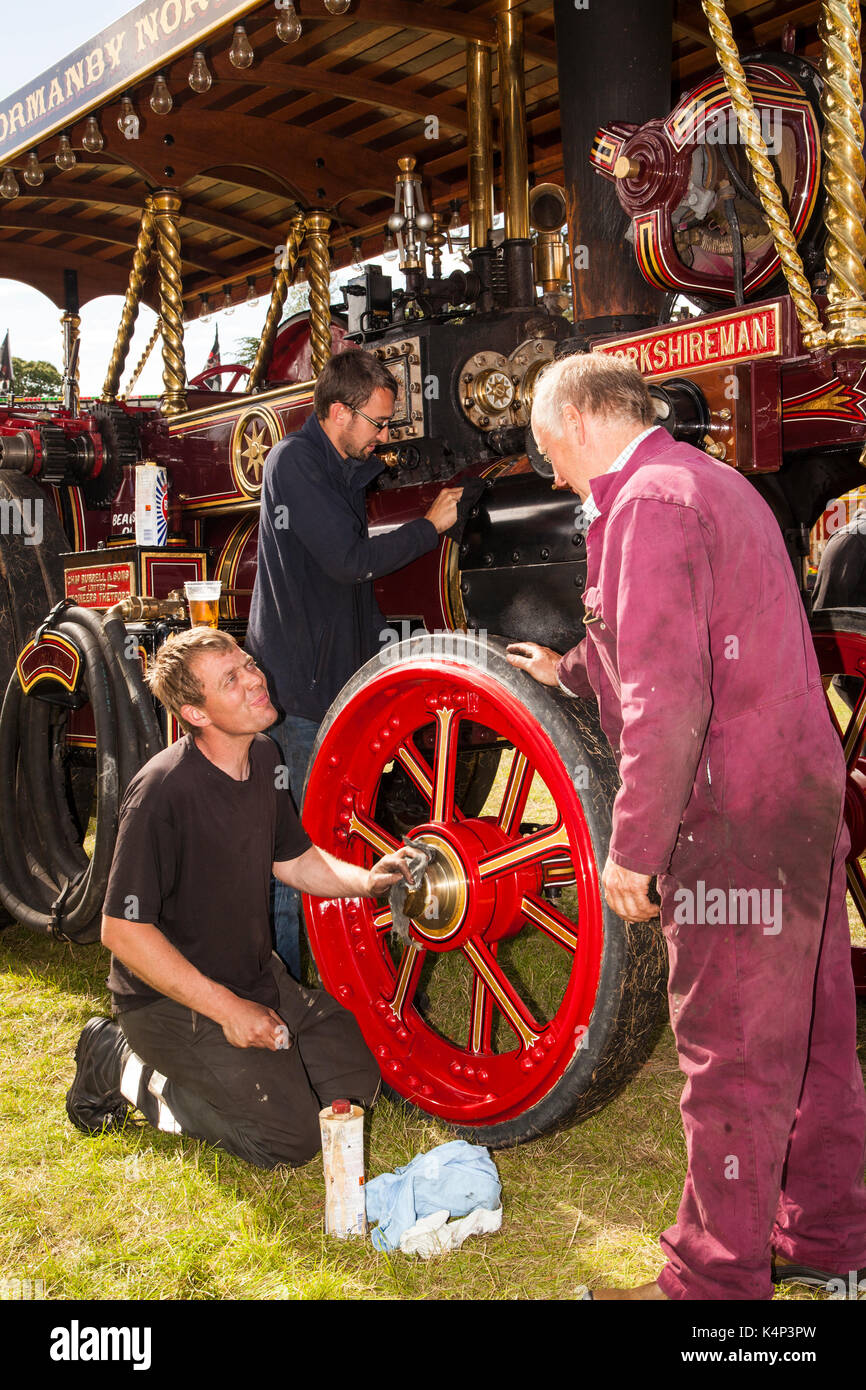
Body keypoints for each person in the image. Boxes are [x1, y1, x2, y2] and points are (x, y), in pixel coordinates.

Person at [506, 352, 866, 1301]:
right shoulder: (705, 482)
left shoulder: (646, 506)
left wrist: (635, 849)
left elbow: (669, 695)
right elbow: (656, 640)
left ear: (580, 419)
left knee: (730, 1057)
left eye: (548, 449)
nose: (551, 472)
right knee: (816, 1037)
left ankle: (711, 1288)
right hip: (796, 798)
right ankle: (828, 1237)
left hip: (732, 819)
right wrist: (568, 670)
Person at [65, 627, 415, 1170]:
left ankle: (264, 1060)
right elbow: (122, 931)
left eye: (248, 663)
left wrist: (368, 881)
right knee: (290, 1140)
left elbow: (292, 859)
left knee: (359, 1086)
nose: (256, 679)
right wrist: (228, 1010)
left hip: (255, 973)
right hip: (171, 1001)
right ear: (196, 713)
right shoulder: (162, 793)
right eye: (231, 679)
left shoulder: (265, 753)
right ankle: (119, 1062)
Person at [246, 347, 462, 978]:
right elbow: (347, 560)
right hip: (301, 692)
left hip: (335, 686)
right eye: (377, 422)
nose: (384, 435)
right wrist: (430, 527)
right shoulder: (292, 461)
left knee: (335, 836)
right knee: (298, 848)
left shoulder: (340, 469)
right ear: (338, 413)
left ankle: (326, 974)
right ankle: (285, 981)